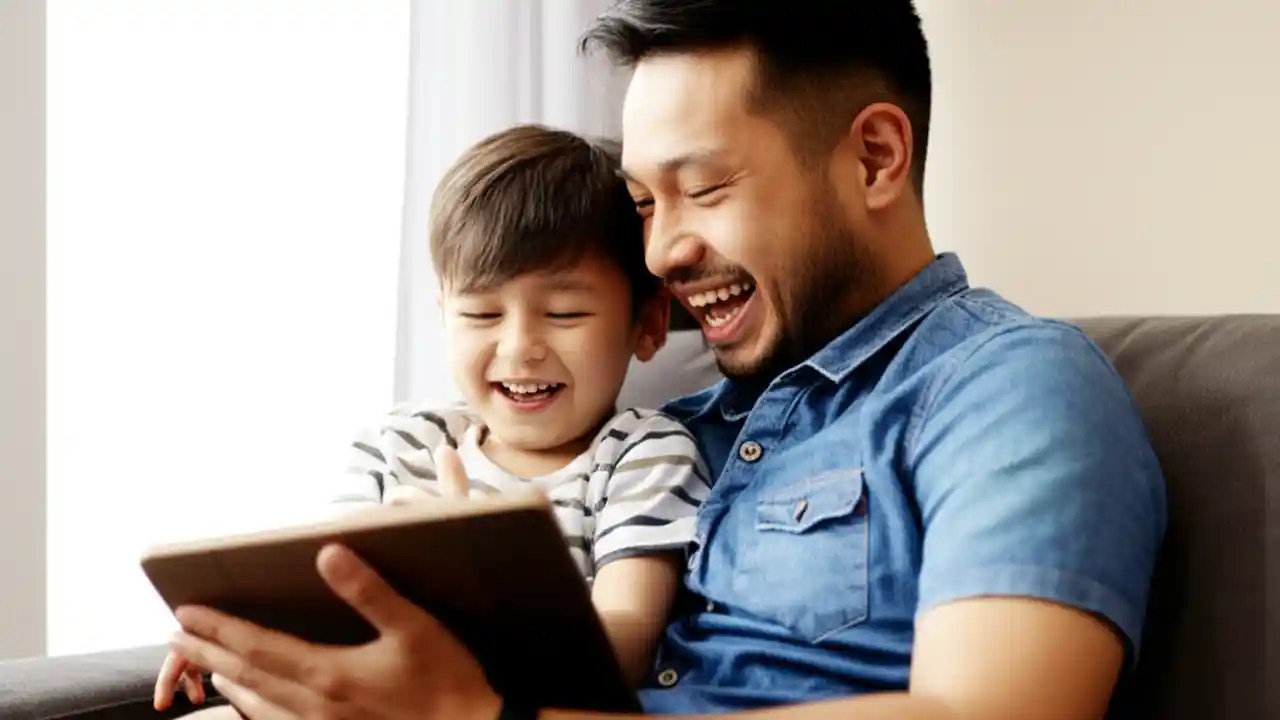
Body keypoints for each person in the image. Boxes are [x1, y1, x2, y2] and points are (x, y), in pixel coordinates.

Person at [168, 2, 1168, 718]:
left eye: (702, 189)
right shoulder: (654, 433)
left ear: (873, 159)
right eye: (644, 205)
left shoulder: (1006, 388)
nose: (658, 255)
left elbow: (983, 712)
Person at [155, 125, 712, 713]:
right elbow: (330, 598)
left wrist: (488, 564)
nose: (520, 347)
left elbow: (619, 651)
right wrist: (242, 636)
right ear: (443, 311)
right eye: (481, 312)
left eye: (564, 313)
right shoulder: (399, 444)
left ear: (647, 323)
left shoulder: (645, 456)